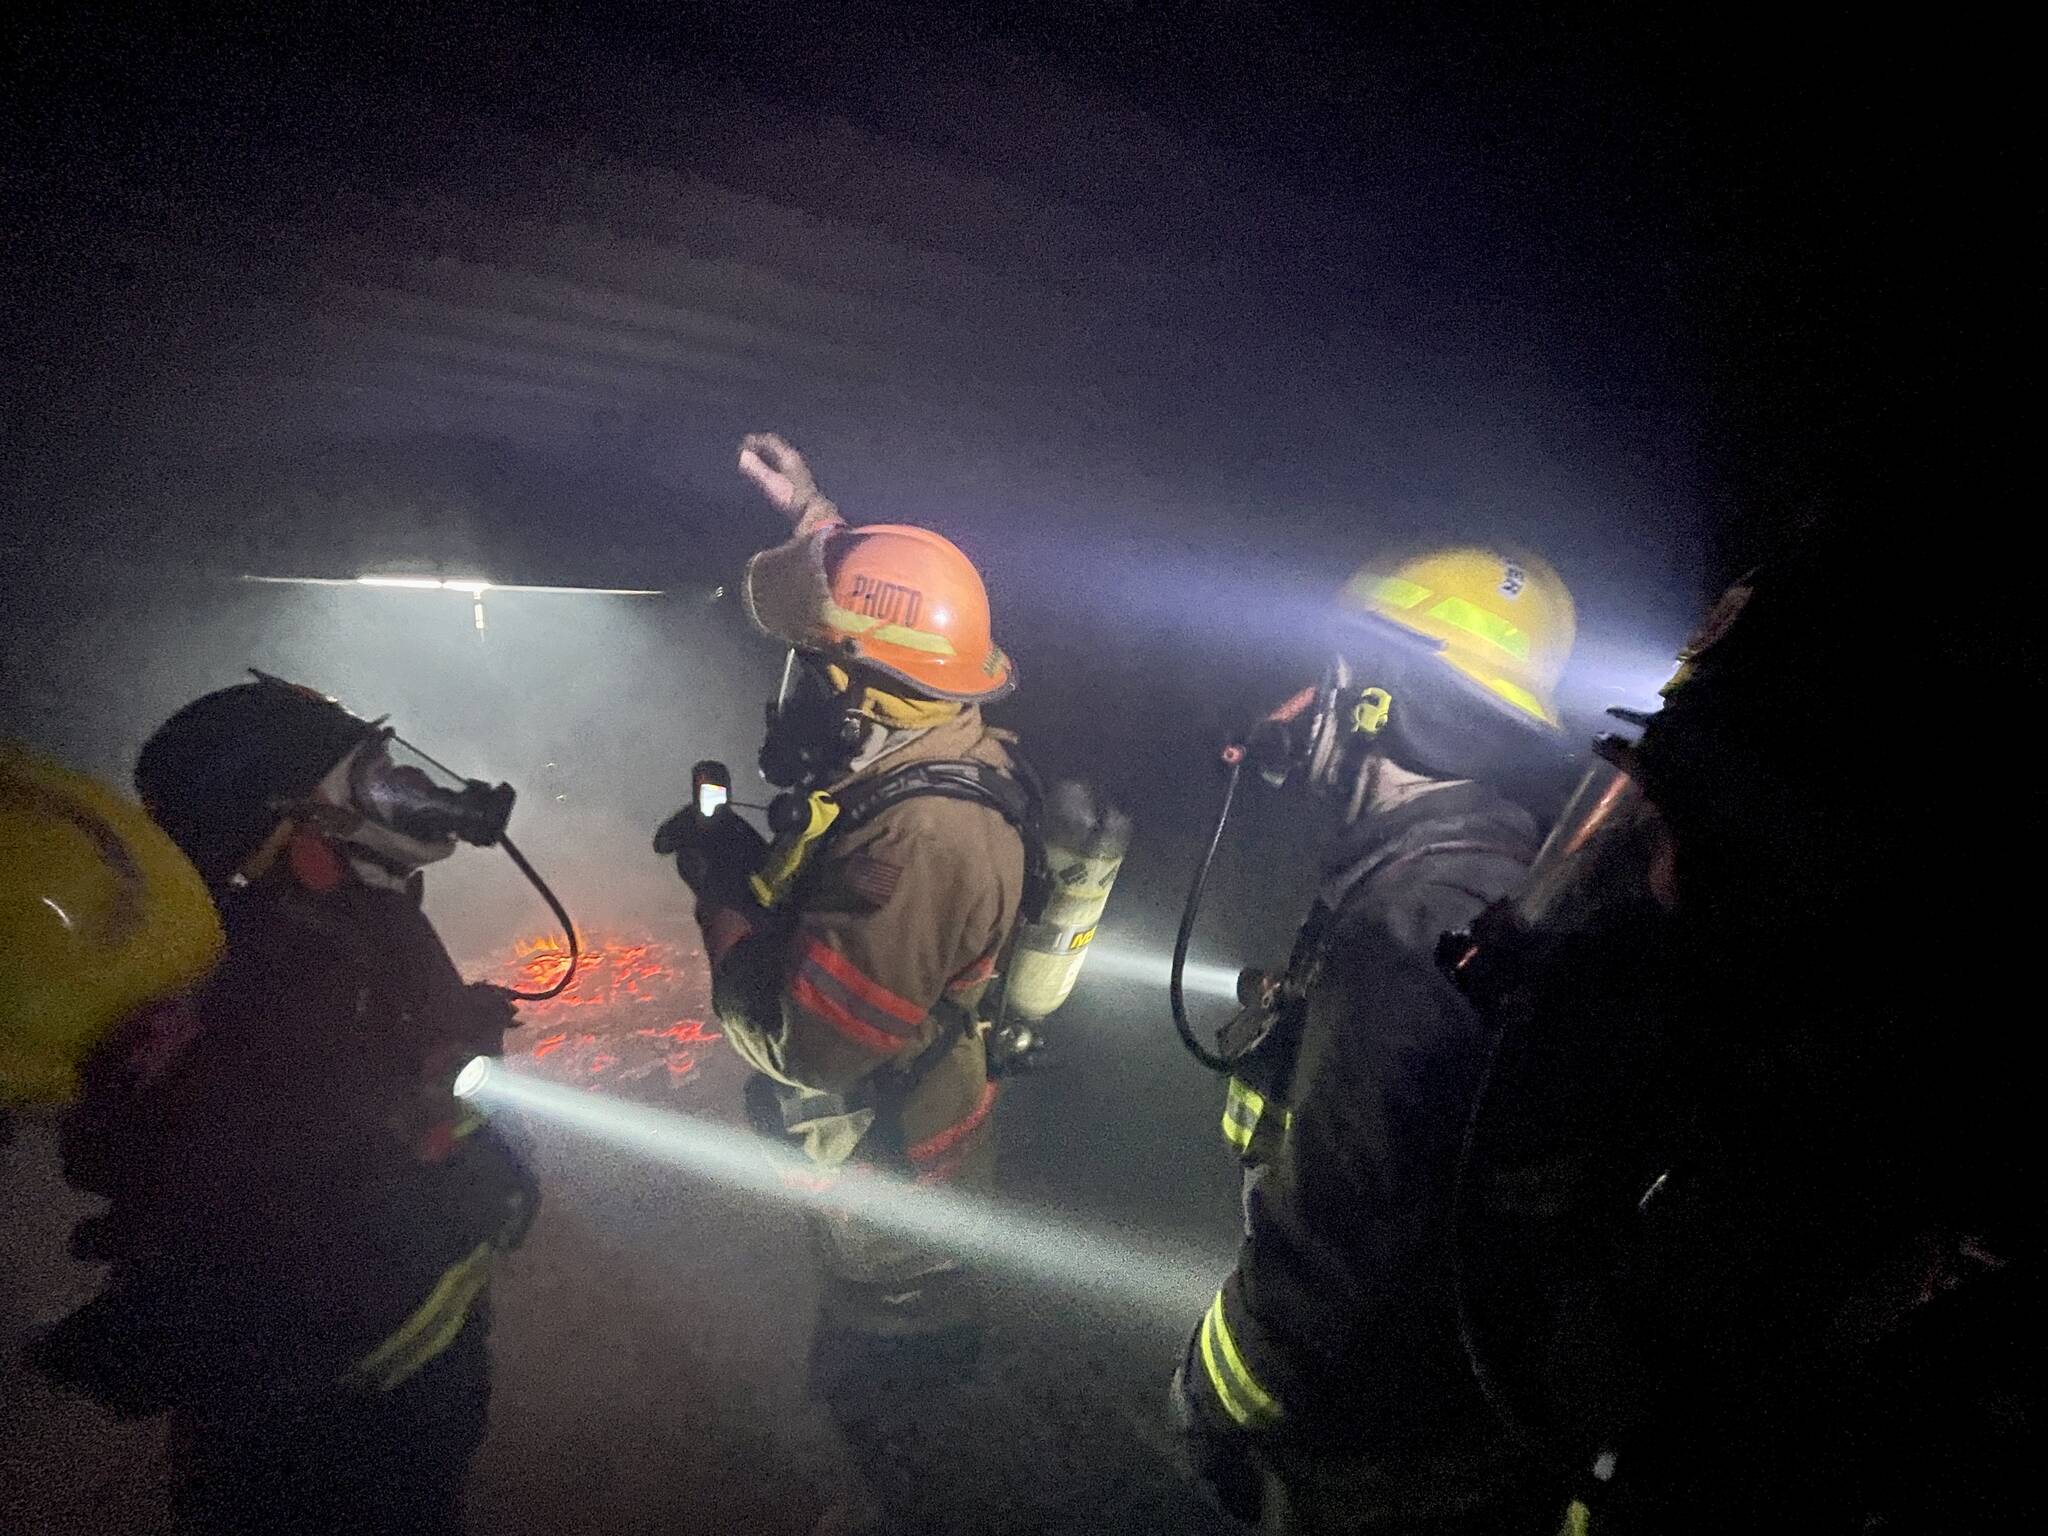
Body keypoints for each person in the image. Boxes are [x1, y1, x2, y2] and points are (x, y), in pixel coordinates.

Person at [1442, 540, 2028, 1530]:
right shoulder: (1758, 1095)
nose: (1648, 875)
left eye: (1675, 828)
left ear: (1787, 866)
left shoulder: (1820, 1176)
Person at [32, 674, 537, 1536]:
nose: (409, 790)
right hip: (329, 1434)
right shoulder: (272, 989)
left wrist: (458, 1106)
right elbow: (280, 1263)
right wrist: (463, 1193)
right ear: (297, 830)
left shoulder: (355, 924)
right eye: (372, 778)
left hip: (411, 1387)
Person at [661, 434, 1033, 1534]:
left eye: (806, 670)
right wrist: (816, 520)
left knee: (887, 1387)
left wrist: (719, 896)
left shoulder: (919, 842)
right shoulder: (924, 733)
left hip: (896, 1177)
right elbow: (889, 609)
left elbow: (809, 1045)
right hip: (895, 1142)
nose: (789, 693)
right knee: (872, 1367)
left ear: (860, 689)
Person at [1172, 546, 1581, 1532]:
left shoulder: (1411, 926)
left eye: (1321, 671)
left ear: (1370, 697)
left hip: (1373, 1453)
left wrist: (1213, 1398)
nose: (1297, 701)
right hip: (1427, 1424)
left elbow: (1332, 1252)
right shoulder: (1470, 870)